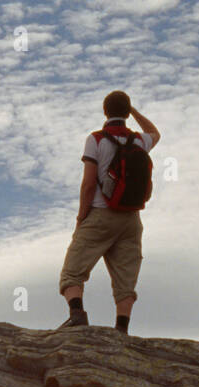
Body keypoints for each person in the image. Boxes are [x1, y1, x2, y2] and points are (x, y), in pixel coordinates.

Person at [57, 90, 160, 335]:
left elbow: (89, 184)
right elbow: (155, 132)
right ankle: (121, 330)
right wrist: (133, 111)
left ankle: (77, 316)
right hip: (131, 220)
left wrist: (82, 217)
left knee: (72, 272)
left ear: (105, 111)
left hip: (100, 215)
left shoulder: (96, 139)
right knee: (126, 278)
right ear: (126, 113)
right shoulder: (139, 141)